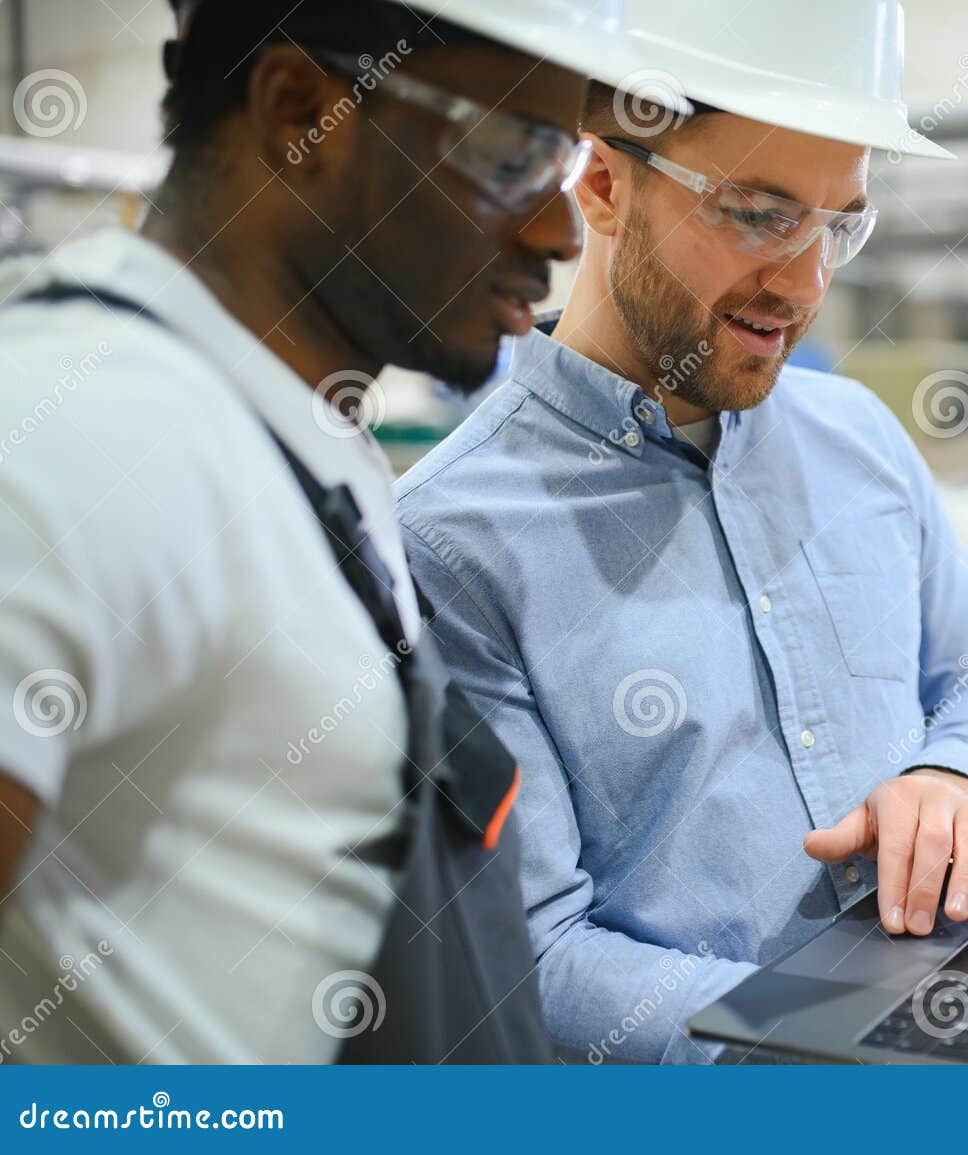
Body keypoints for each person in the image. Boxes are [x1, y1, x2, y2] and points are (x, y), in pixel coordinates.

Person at [0, 0, 683, 1063]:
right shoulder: (76, 433)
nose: (557, 231)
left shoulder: (303, 429)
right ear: (299, 109)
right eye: (514, 150)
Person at [394, 0, 968, 1064]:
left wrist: (955, 776)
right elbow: (534, 959)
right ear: (602, 183)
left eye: (839, 221)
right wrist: (844, 1044)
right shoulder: (452, 544)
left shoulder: (859, 442)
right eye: (758, 213)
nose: (806, 282)